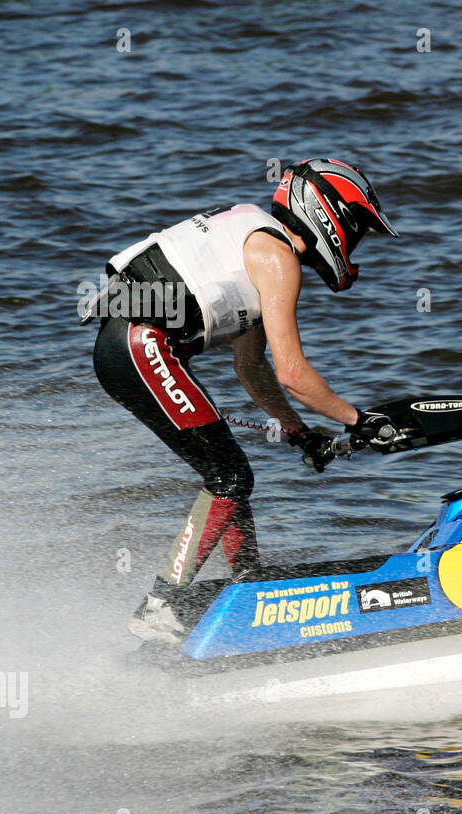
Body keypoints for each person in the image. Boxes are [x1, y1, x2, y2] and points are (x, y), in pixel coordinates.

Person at [86, 158, 399, 642]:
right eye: (355, 229)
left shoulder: (256, 238)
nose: (354, 244)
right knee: (230, 475)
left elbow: (251, 368)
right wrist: (360, 420)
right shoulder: (277, 257)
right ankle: (159, 606)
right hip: (141, 345)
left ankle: (247, 585)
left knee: (227, 472)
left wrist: (298, 432)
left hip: (128, 347)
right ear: (326, 214)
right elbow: (293, 373)